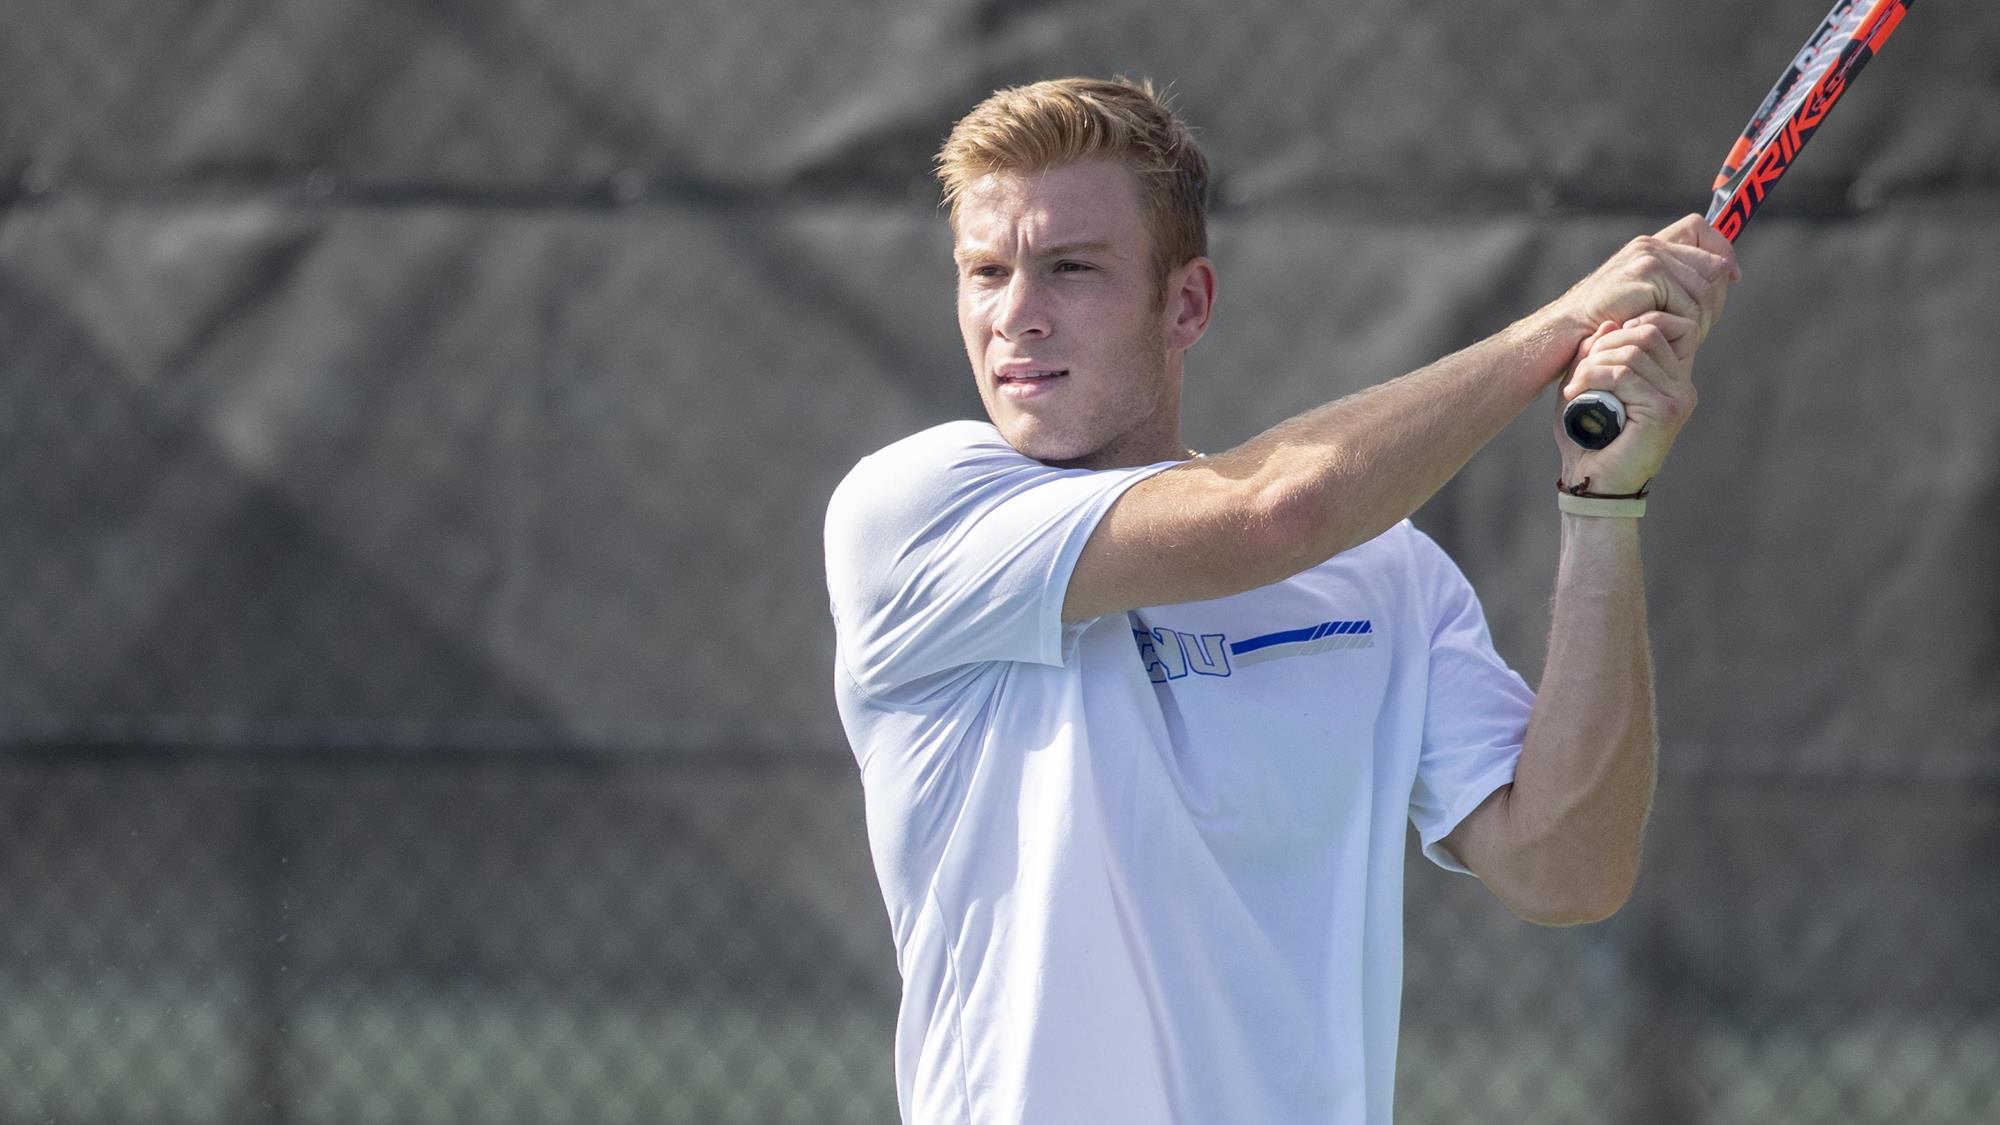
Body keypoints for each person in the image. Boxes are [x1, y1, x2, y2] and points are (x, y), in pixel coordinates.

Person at [822, 76, 1736, 1125]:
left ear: (1186, 304)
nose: (1014, 315)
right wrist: (1566, 325)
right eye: (985, 271)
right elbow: (1274, 514)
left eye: (1069, 268)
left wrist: (1602, 503)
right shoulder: (913, 515)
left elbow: (1565, 869)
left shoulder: (1385, 572)